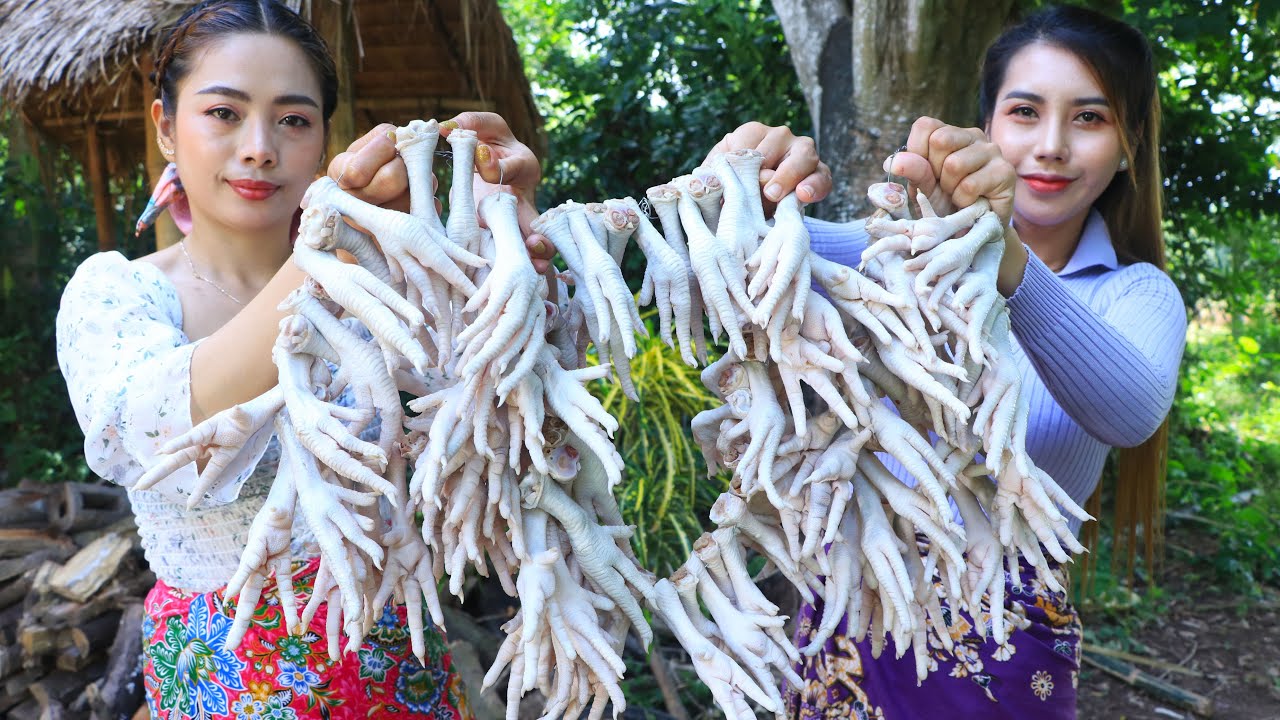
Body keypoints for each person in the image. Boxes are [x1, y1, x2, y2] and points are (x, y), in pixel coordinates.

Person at [55, 2, 551, 718]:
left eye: (293, 120)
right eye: (223, 113)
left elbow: (505, 411)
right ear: (166, 127)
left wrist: (517, 225)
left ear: (323, 141)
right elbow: (150, 425)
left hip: (398, 663)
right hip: (224, 684)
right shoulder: (116, 292)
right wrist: (332, 250)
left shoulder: (383, 287)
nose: (259, 146)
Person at [714, 6, 1185, 718]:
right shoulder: (894, 252)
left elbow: (1129, 409)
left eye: (1090, 118)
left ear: (1128, 146)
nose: (1051, 146)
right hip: (846, 616)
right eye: (1024, 111)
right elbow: (758, 253)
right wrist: (743, 185)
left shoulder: (1136, 294)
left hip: (1000, 649)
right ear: (988, 130)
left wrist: (1003, 258)